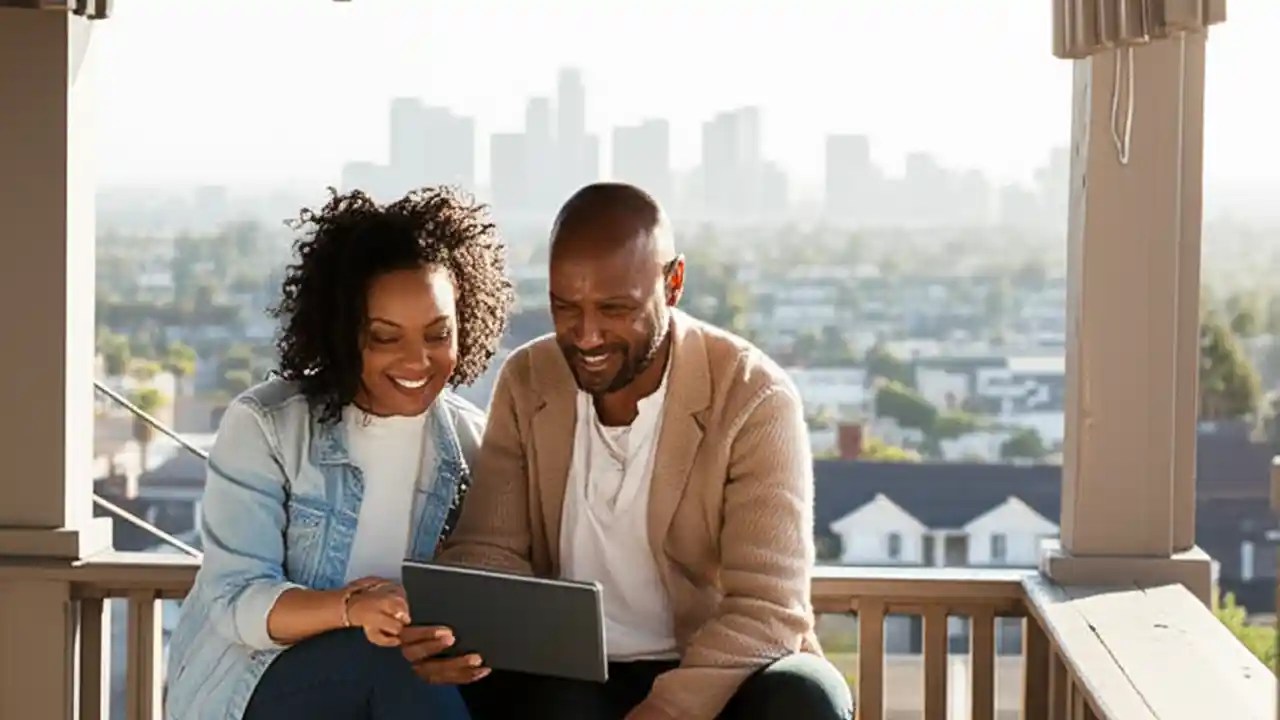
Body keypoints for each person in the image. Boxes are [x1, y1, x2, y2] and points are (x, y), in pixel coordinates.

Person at [411, 182, 853, 720]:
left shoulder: (752, 396)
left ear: (673, 283)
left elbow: (768, 610)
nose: (587, 335)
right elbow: (491, 552)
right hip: (573, 674)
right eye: (564, 307)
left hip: (716, 671)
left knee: (806, 697)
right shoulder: (530, 380)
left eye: (615, 309)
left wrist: (663, 712)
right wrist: (455, 629)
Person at [163, 187, 515, 720]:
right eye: (386, 337)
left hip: (390, 691)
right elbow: (235, 600)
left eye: (437, 334)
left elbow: (475, 597)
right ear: (344, 332)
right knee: (384, 662)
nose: (417, 360)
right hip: (252, 688)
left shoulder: (470, 444)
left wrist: (444, 650)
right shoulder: (268, 426)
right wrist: (352, 610)